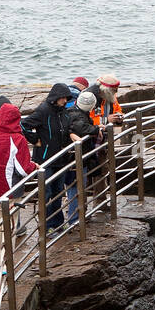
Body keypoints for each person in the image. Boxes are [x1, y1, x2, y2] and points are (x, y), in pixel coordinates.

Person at [0, 103, 36, 265]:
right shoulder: (18, 139)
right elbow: (23, 169)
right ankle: (1, 262)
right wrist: (34, 166)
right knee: (8, 227)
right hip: (8, 190)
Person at [21, 84, 72, 231]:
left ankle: (58, 222)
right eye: (62, 98)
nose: (65, 101)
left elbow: (68, 128)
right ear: (55, 97)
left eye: (66, 98)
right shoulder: (43, 110)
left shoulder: (64, 112)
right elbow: (23, 124)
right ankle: (46, 225)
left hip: (61, 159)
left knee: (58, 192)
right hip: (45, 160)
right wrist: (35, 139)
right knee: (46, 192)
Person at [64, 90, 99, 224]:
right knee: (76, 187)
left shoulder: (71, 112)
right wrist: (96, 129)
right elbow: (81, 127)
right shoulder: (78, 116)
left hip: (72, 157)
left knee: (73, 187)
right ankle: (74, 218)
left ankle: (76, 216)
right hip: (76, 158)